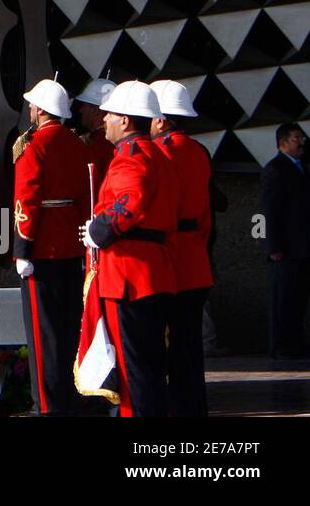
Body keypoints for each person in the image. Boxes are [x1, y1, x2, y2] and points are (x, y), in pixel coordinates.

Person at [81, 81, 177, 417]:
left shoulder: (131, 157)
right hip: (152, 272)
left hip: (129, 277)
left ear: (124, 120)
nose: (103, 119)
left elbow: (129, 203)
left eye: (109, 114)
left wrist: (99, 230)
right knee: (149, 369)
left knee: (134, 372)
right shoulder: (160, 154)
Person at [12, 77, 91, 416]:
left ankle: (46, 404)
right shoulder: (77, 144)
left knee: (43, 336)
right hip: (72, 247)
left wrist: (22, 249)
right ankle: (72, 398)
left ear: (42, 110)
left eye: (33, 104)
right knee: (69, 326)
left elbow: (26, 200)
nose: (30, 108)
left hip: (42, 248)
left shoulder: (35, 147)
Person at [150, 79, 213, 416]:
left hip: (170, 257)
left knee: (167, 342)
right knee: (190, 343)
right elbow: (204, 214)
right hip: (196, 258)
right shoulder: (198, 151)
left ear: (161, 119)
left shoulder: (159, 152)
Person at [260, 123, 310, 360]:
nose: (301, 142)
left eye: (301, 137)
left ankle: (295, 343)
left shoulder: (303, 168)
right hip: (286, 250)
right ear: (282, 142)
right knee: (283, 299)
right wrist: (274, 247)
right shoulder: (275, 169)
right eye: (296, 138)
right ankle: (281, 347)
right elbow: (271, 211)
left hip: (302, 248)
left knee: (298, 299)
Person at [72, 78, 116, 197]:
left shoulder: (95, 143)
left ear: (96, 110)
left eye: (84, 105)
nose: (81, 110)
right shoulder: (111, 140)